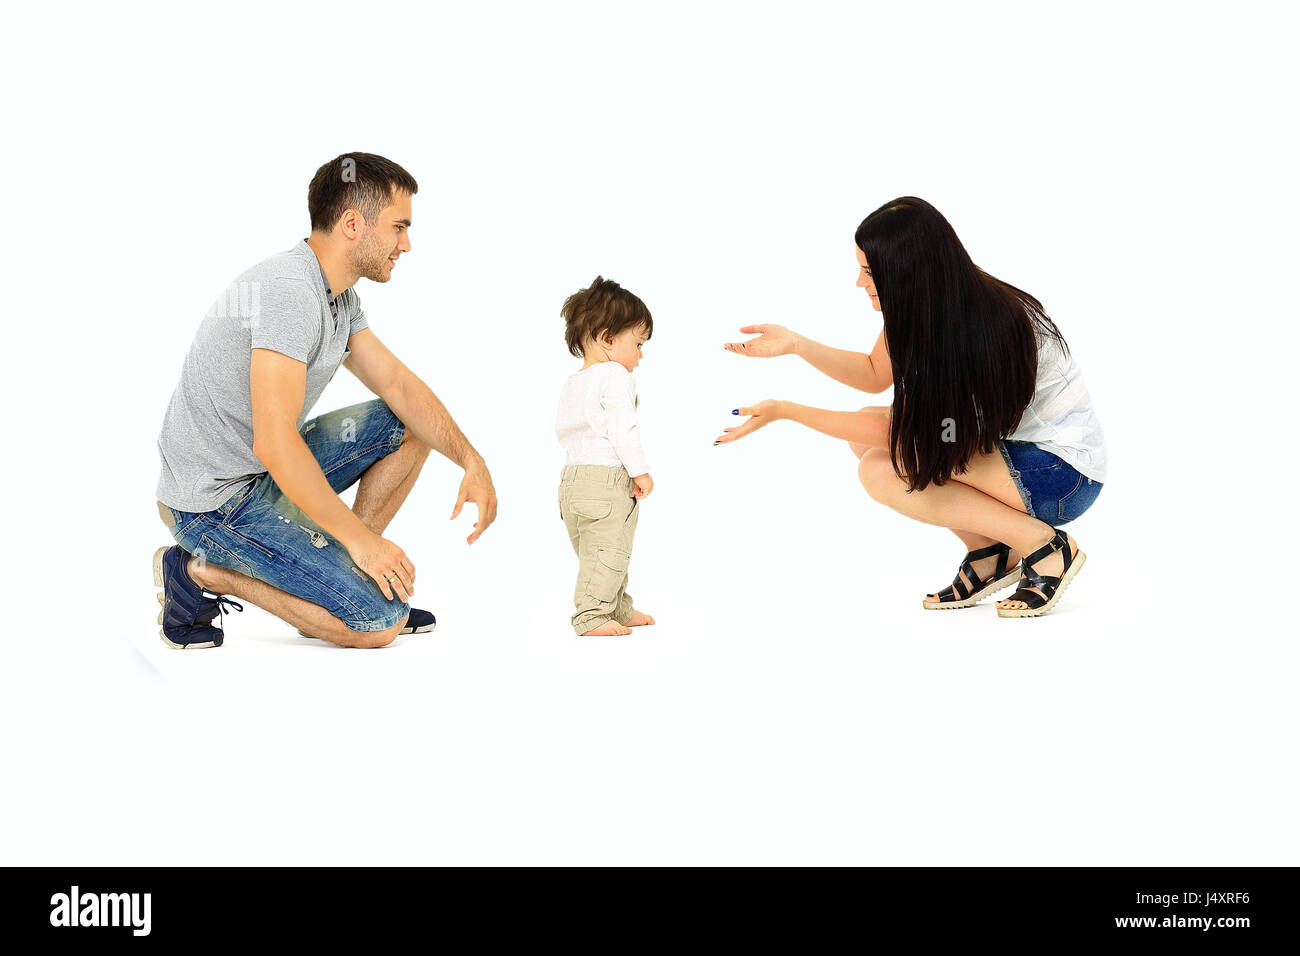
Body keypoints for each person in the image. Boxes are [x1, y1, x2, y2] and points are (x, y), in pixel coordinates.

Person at [153, 152, 498, 649]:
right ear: (353, 224)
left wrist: (472, 460)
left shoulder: (336, 295)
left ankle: (355, 580)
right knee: (380, 626)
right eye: (399, 227)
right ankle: (195, 572)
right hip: (211, 504)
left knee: (407, 424)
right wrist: (363, 542)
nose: (406, 244)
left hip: (262, 474)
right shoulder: (289, 291)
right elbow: (275, 443)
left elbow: (398, 386)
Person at [716, 197, 1106, 618]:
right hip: (1014, 459)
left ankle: (1046, 547)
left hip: (1060, 476)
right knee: (869, 441)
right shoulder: (931, 304)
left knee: (879, 467)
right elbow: (872, 373)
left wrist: (785, 410)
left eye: (869, 271)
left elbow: (915, 435)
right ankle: (990, 550)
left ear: (906, 271)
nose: (859, 283)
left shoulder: (975, 328)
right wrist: (796, 344)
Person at [555, 277, 657, 636]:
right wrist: (640, 472)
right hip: (606, 482)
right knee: (611, 552)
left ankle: (617, 607)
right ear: (608, 338)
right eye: (639, 344)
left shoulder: (574, 382)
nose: (640, 356)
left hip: (572, 482)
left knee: (598, 554)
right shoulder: (615, 375)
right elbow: (623, 430)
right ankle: (592, 616)